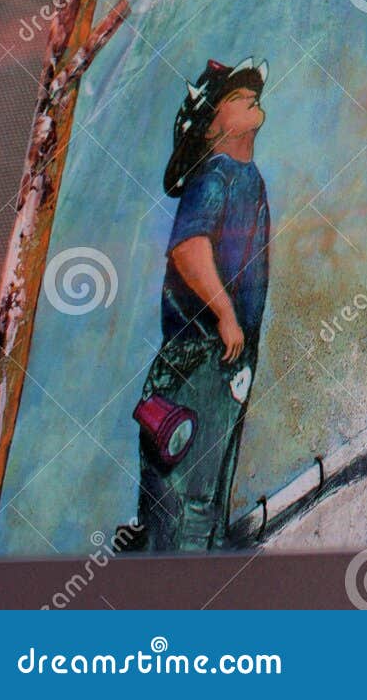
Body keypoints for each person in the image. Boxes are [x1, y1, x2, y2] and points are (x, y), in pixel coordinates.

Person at [126, 57, 271, 552]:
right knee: (186, 503)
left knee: (207, 501)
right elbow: (189, 249)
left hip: (226, 364)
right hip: (198, 360)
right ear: (210, 129)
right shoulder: (215, 177)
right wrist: (226, 314)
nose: (251, 95)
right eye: (234, 96)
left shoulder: (247, 179)